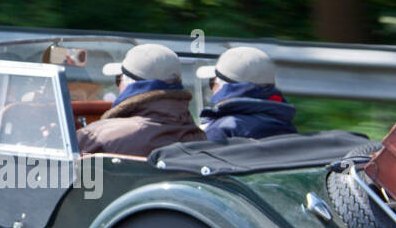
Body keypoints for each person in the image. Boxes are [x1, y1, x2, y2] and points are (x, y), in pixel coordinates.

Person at [76, 43, 205, 156]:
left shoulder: (96, 137)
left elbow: (83, 176)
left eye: (118, 80)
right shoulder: (198, 137)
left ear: (130, 83)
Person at [195, 46, 297, 141]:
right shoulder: (287, 129)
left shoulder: (219, 130)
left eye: (212, 83)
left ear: (224, 87)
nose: (212, 90)